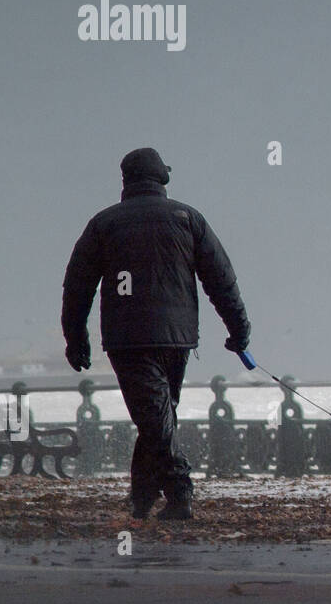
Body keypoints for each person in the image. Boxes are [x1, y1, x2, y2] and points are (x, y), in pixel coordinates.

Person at [61, 148, 250, 520]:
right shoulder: (187, 218)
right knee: (157, 415)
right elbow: (221, 279)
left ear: (126, 180)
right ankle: (144, 496)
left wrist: (76, 336)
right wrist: (239, 329)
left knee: (155, 415)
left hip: (127, 338)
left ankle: (177, 492)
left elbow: (78, 285)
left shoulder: (105, 224)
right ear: (160, 176)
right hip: (177, 338)